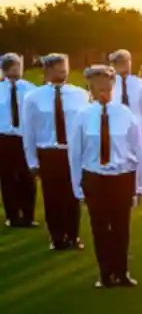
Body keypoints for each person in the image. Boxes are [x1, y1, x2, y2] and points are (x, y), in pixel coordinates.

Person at [69, 65, 142, 288]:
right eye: (98, 87)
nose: (103, 91)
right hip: (95, 179)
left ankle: (122, 272)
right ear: (90, 89)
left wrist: (140, 185)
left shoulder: (126, 115)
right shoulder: (83, 116)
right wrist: (78, 187)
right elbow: (75, 153)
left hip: (121, 178)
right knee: (100, 228)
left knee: (121, 228)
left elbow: (140, 152)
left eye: (107, 86)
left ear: (113, 87)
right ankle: (105, 274)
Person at [22, 53, 89, 250]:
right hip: (49, 152)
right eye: (59, 67)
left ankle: (73, 235)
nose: (63, 71)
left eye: (65, 66)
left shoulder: (80, 95)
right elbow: (29, 131)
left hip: (73, 152)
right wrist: (32, 161)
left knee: (73, 195)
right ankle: (57, 237)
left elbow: (86, 126)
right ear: (48, 70)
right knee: (52, 197)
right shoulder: (33, 97)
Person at [0, 53, 38, 228]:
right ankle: (12, 215)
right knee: (8, 178)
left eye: (18, 65)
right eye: (12, 66)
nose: (16, 69)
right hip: (5, 138)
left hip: (25, 137)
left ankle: (28, 215)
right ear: (5, 69)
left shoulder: (30, 89)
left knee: (27, 176)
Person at [107, 49, 142, 149]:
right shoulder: (109, 84)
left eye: (125, 62)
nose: (123, 65)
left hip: (137, 131)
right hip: (116, 132)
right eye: (119, 63)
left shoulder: (139, 84)